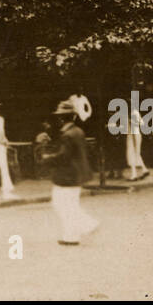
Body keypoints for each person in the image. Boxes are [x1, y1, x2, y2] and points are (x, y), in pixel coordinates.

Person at [50, 99, 98, 245]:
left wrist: (48, 158)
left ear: (61, 118)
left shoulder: (67, 135)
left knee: (60, 204)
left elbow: (63, 156)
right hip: (77, 175)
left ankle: (88, 224)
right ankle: (71, 236)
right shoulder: (78, 131)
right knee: (70, 205)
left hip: (67, 176)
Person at [125, 106, 149, 181]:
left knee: (131, 154)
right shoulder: (135, 112)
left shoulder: (132, 114)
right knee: (136, 154)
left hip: (133, 136)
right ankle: (144, 170)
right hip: (134, 135)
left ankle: (134, 174)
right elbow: (142, 123)